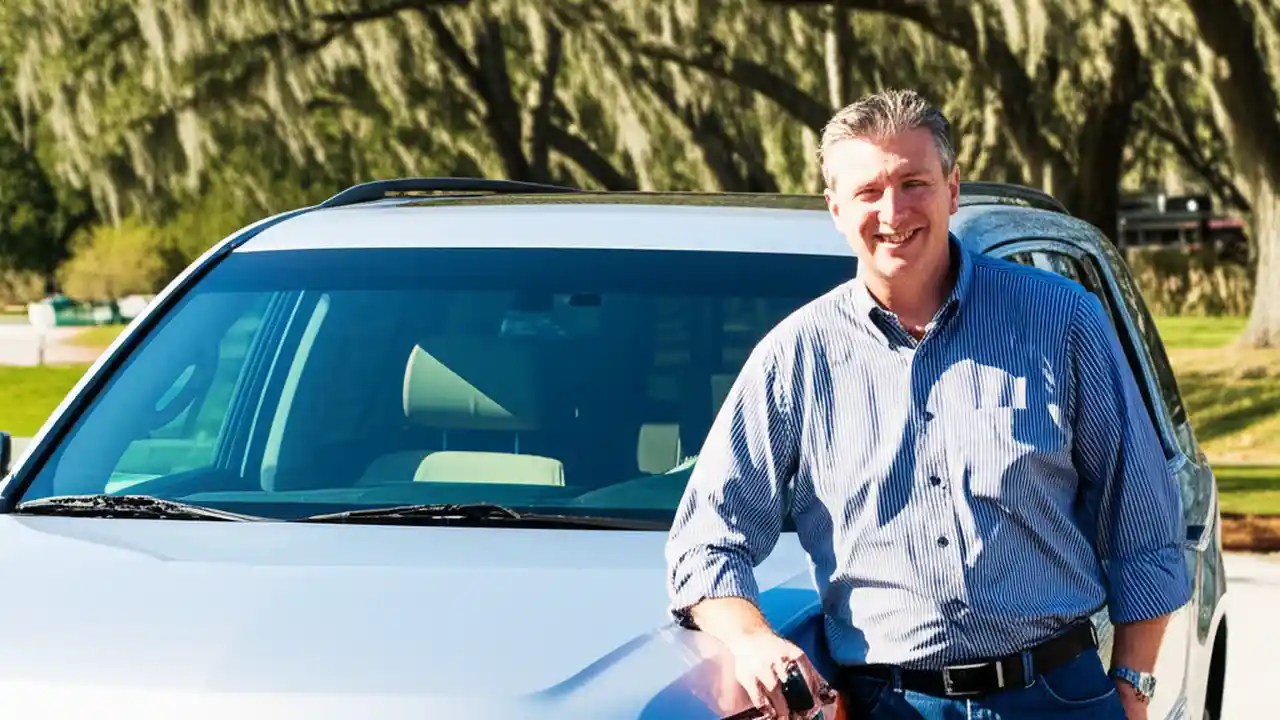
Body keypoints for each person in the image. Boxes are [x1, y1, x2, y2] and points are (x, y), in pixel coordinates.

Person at [664, 89, 1189, 720]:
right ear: (834, 207)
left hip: (1057, 694)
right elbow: (706, 545)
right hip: (890, 703)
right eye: (868, 191)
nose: (893, 210)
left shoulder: (1061, 318)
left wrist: (1132, 686)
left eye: (914, 182)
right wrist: (751, 640)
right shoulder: (795, 357)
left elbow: (1142, 518)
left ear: (952, 189)